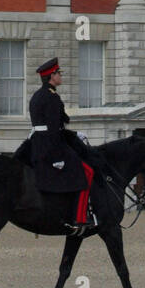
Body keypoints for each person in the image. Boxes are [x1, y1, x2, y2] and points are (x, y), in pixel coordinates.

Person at [24, 57, 96, 235]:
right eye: (58, 73)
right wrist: (56, 158)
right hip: (49, 146)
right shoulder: (50, 97)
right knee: (88, 172)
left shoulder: (42, 95)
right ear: (51, 76)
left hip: (41, 142)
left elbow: (53, 126)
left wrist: (74, 135)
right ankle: (79, 217)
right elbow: (53, 130)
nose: (61, 75)